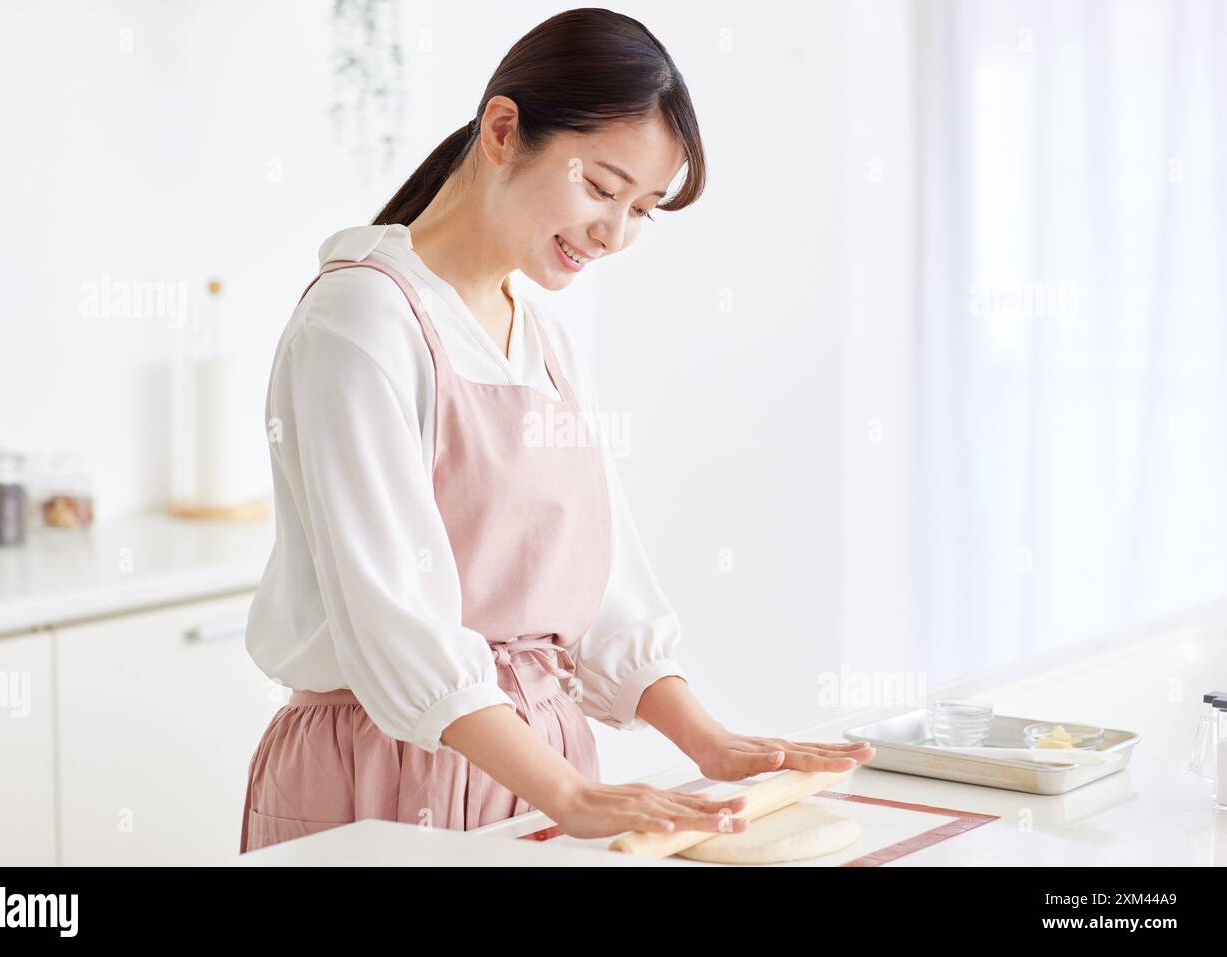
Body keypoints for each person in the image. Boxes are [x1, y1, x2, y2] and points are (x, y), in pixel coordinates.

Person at [239, 7, 873, 855]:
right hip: (392, 770)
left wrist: (708, 742)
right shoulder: (360, 321)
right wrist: (567, 789)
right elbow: (399, 622)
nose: (615, 233)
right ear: (504, 130)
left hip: (541, 764)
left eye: (643, 208)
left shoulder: (539, 338)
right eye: (603, 188)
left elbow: (602, 589)